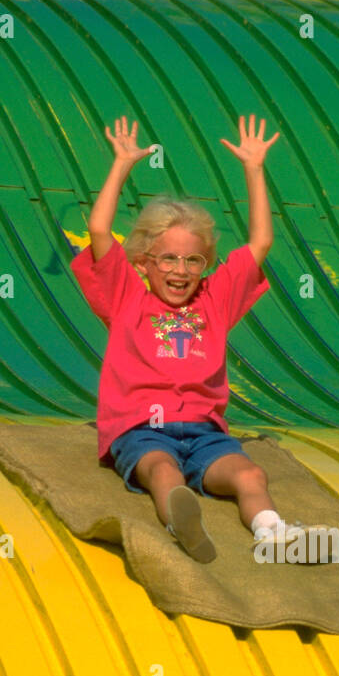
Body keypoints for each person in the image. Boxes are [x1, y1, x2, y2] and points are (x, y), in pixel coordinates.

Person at [71, 113, 307, 562]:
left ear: (206, 264)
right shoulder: (127, 299)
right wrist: (122, 163)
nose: (181, 270)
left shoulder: (214, 301)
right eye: (168, 259)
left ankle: (272, 533)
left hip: (204, 433)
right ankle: (182, 521)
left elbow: (259, 242)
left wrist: (254, 169)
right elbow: (100, 230)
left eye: (194, 260)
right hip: (143, 428)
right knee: (162, 470)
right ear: (143, 261)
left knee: (251, 476)